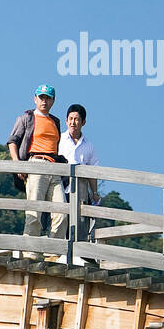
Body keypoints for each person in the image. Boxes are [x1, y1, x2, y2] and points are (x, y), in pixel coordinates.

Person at [7, 84, 67, 254]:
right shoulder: (26, 118)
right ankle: (29, 252)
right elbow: (13, 141)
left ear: (53, 101)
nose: (44, 101)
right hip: (35, 163)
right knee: (34, 211)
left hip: (54, 168)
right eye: (41, 97)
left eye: (48, 98)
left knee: (61, 211)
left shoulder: (55, 121)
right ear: (35, 99)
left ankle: (53, 253)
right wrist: (18, 163)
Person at [58, 103, 100, 242]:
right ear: (66, 120)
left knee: (80, 223)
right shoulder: (58, 139)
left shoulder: (89, 145)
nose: (73, 122)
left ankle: (77, 256)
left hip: (81, 193)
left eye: (76, 119)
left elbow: (93, 172)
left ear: (83, 122)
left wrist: (94, 193)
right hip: (61, 188)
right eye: (70, 118)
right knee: (60, 220)